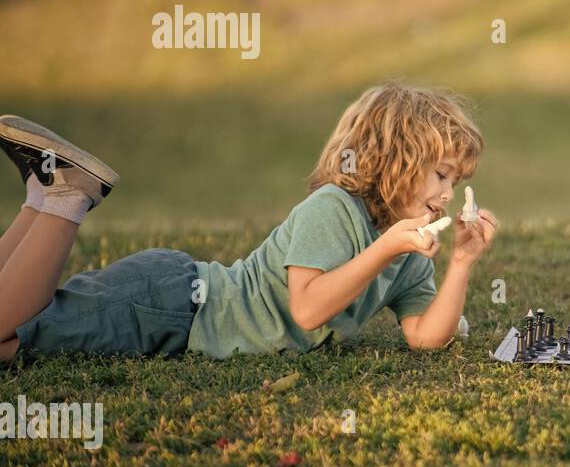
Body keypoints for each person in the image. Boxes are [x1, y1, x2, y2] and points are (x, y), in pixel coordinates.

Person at [0, 82, 496, 361]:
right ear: (397, 158)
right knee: (10, 332)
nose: (448, 195)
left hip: (173, 317)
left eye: (455, 181)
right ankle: (64, 194)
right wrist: (384, 248)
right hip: (171, 303)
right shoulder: (334, 208)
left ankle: (43, 194)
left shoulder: (405, 253)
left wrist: (462, 265)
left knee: (10, 342)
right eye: (441, 175)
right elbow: (306, 309)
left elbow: (426, 336)